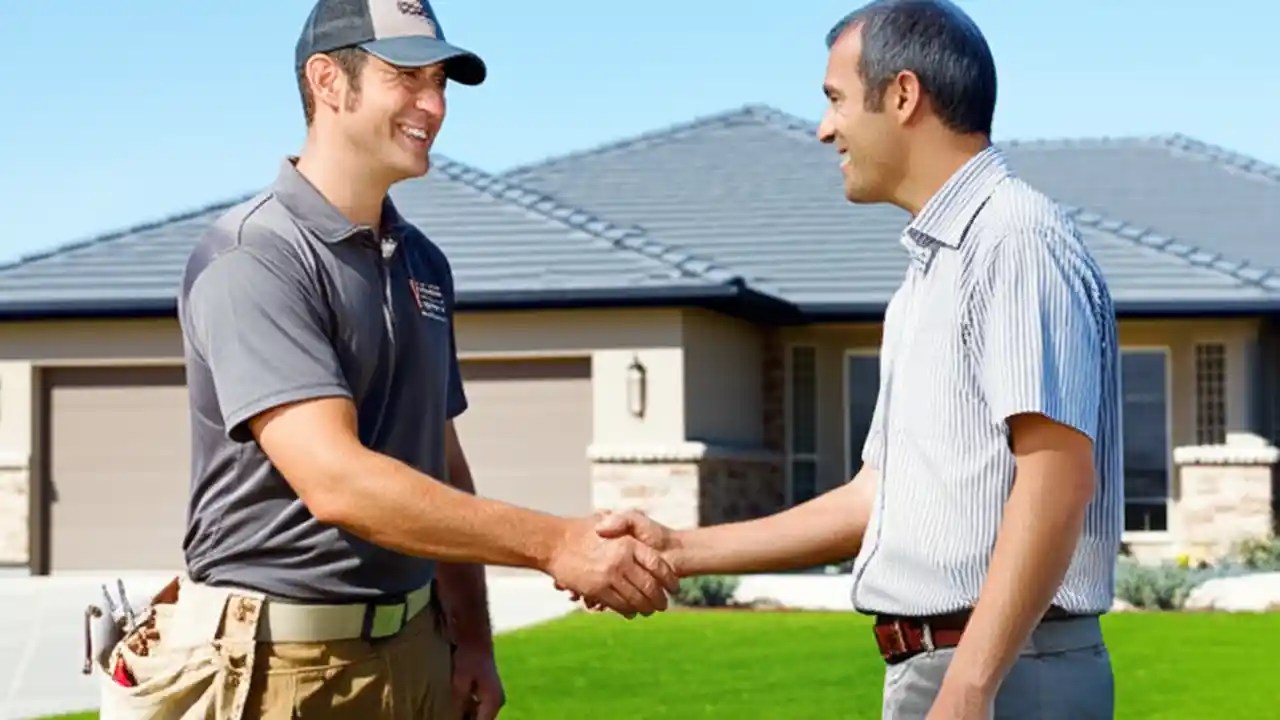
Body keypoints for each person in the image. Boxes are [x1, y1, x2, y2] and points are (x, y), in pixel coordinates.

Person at [96, 1, 678, 718]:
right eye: (406, 77)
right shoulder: (255, 258)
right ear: (328, 82)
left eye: (440, 81)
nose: (433, 105)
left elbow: (441, 461)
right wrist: (555, 543)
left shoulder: (423, 263)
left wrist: (473, 642)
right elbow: (337, 482)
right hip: (277, 667)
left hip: (415, 649)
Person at [571, 1, 1124, 718]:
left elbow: (1055, 481)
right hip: (958, 668)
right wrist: (679, 549)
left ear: (901, 95)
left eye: (834, 100)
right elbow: (879, 497)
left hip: (1007, 675)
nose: (825, 127)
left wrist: (968, 688)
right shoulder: (933, 272)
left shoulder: (1013, 241)